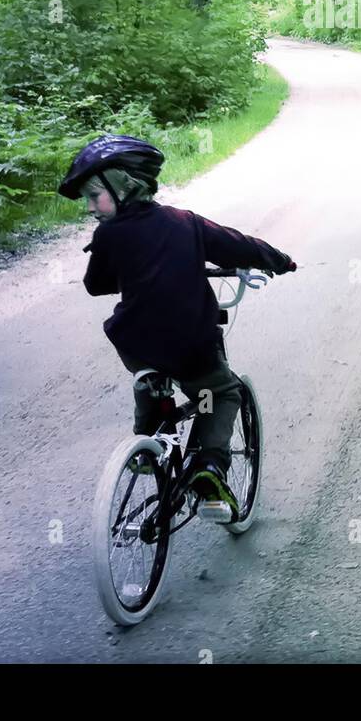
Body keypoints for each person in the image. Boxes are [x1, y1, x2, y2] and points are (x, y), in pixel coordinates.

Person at [58, 135, 296, 521]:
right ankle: (210, 469)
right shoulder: (185, 223)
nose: (89, 207)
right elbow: (238, 246)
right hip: (190, 343)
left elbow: (95, 284)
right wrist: (279, 260)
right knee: (218, 392)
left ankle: (149, 435)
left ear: (124, 186)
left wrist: (130, 267)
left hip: (136, 343)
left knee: (152, 372)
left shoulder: (107, 235)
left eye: (94, 196)